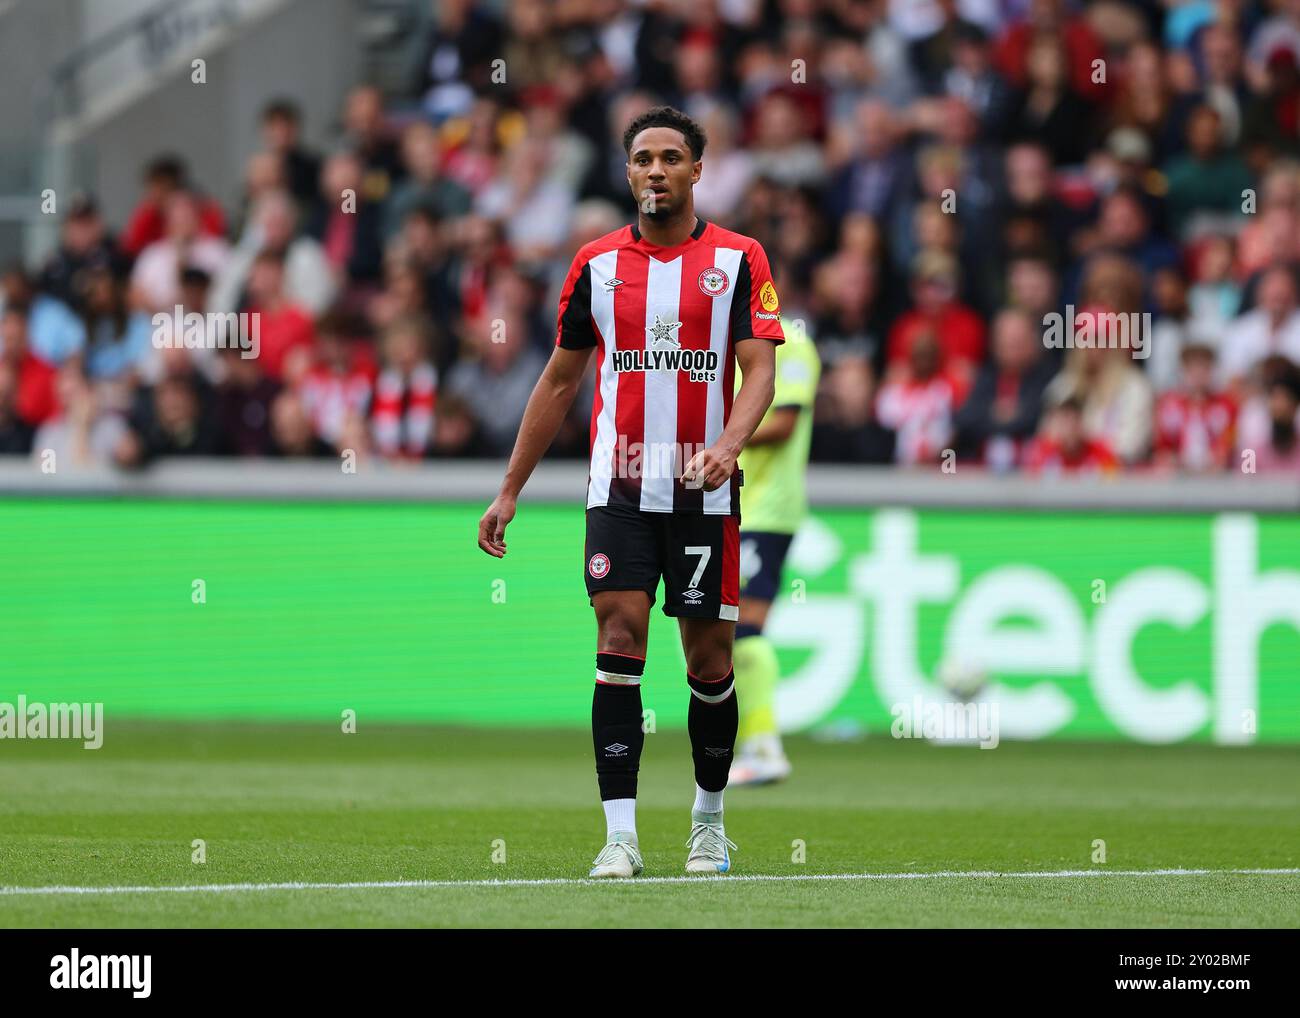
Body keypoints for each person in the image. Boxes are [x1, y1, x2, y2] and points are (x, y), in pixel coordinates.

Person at [476, 106, 781, 878]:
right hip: (618, 487)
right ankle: (620, 835)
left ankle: (708, 822)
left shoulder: (741, 260)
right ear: (627, 172)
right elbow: (559, 379)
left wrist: (728, 444)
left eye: (671, 157)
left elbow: (762, 369)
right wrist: (510, 489)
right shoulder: (595, 266)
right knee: (617, 642)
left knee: (710, 662)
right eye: (642, 157)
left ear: (696, 171)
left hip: (704, 494)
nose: (655, 170)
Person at [728, 316, 820, 787]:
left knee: (745, 628)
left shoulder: (794, 341)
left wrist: (720, 442)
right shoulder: (729, 335)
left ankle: (764, 747)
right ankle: (753, 742)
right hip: (733, 502)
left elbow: (785, 422)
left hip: (766, 508)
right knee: (725, 632)